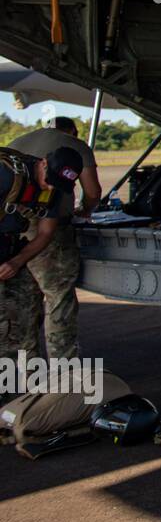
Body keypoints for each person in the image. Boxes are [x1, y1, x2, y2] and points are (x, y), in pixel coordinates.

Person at [10, 117, 100, 359]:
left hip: (13, 232)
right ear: (71, 131)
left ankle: (28, 369)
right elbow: (92, 192)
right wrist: (85, 211)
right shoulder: (74, 147)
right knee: (58, 297)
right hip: (45, 231)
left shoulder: (18, 142)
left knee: (25, 302)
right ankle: (64, 369)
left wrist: (17, 260)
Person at [0, 146, 83, 376]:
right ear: (43, 163)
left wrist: (17, 261)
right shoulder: (6, 175)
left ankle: (28, 388)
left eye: (59, 184)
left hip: (10, 247)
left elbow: (45, 234)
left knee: (22, 320)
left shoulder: (55, 187)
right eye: (50, 180)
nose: (51, 187)